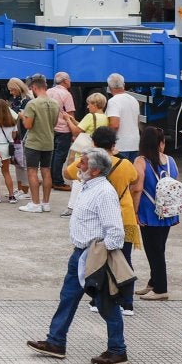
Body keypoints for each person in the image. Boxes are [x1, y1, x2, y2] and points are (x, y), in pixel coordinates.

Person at [27, 148, 130, 364]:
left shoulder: (104, 192)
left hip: (95, 256)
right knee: (68, 297)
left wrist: (99, 253)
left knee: (106, 303)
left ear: (94, 170)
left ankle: (117, 350)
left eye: (83, 163)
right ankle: (56, 342)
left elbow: (116, 233)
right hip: (80, 254)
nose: (78, 166)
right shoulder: (87, 186)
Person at [64, 126, 140, 316]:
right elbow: (135, 181)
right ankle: (127, 302)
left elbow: (68, 173)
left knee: (97, 262)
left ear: (94, 143)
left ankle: (97, 298)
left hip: (98, 221)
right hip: (126, 216)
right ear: (114, 144)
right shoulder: (125, 164)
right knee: (124, 260)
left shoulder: (89, 162)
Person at [134, 124, 181, 301]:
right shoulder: (171, 161)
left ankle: (161, 289)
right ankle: (153, 283)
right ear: (160, 143)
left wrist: (135, 211)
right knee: (159, 248)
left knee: (154, 252)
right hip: (168, 211)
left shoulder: (141, 161)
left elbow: (137, 189)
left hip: (149, 212)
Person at [19, 73, 61, 213]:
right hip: (49, 141)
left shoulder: (33, 104)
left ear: (34, 88)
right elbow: (54, 123)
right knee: (46, 171)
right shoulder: (55, 103)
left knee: (32, 171)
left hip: (34, 142)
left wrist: (22, 117)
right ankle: (46, 203)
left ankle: (35, 203)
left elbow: (28, 125)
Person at [47, 72, 77, 191]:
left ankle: (49, 180)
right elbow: (70, 114)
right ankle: (58, 182)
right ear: (64, 81)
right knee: (60, 156)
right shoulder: (66, 94)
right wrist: (74, 131)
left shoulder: (49, 92)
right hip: (64, 129)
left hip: (51, 128)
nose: (70, 81)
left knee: (52, 155)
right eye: (69, 79)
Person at [0, 98, 20, 203]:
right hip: (6, 147)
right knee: (6, 172)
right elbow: (14, 136)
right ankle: (11, 196)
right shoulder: (12, 122)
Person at [106, 73, 141, 161]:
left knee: (119, 173)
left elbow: (115, 125)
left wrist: (107, 141)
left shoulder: (113, 101)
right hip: (135, 143)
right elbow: (137, 121)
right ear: (124, 85)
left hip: (120, 146)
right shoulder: (133, 100)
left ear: (109, 87)